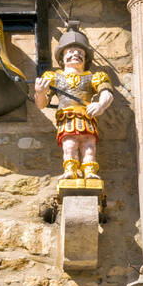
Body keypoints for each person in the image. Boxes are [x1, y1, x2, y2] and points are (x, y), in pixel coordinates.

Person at [34, 23, 113, 188]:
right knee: (69, 146)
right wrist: (40, 92)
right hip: (67, 119)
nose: (75, 55)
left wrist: (101, 105)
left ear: (85, 58)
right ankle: (70, 170)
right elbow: (42, 105)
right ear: (62, 58)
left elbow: (107, 93)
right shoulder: (54, 77)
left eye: (79, 53)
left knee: (89, 146)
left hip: (87, 118)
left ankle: (90, 171)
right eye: (70, 52)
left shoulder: (94, 76)